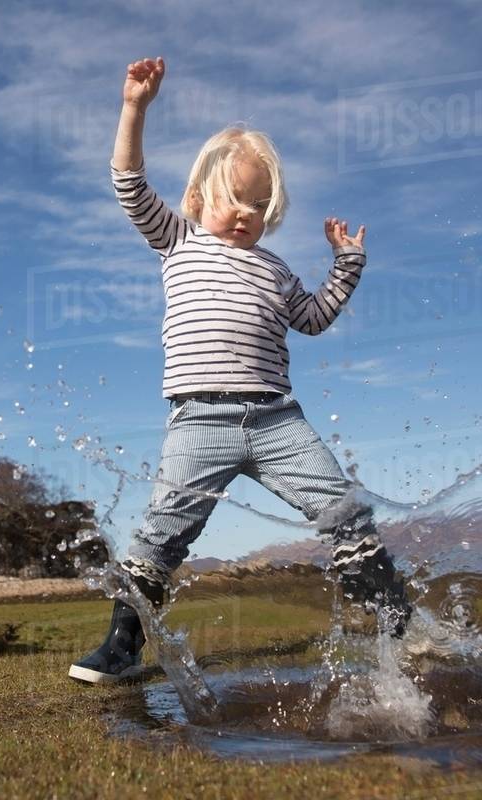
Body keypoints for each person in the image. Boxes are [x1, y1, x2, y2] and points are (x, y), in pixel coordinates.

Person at [68, 57, 412, 685]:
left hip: (279, 418)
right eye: (236, 199)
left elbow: (312, 319)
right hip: (200, 418)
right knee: (163, 532)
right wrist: (134, 108)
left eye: (260, 204)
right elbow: (127, 179)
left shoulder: (277, 270)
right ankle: (121, 645)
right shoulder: (178, 239)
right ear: (199, 199)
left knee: (343, 510)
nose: (248, 213)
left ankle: (398, 620)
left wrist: (348, 265)